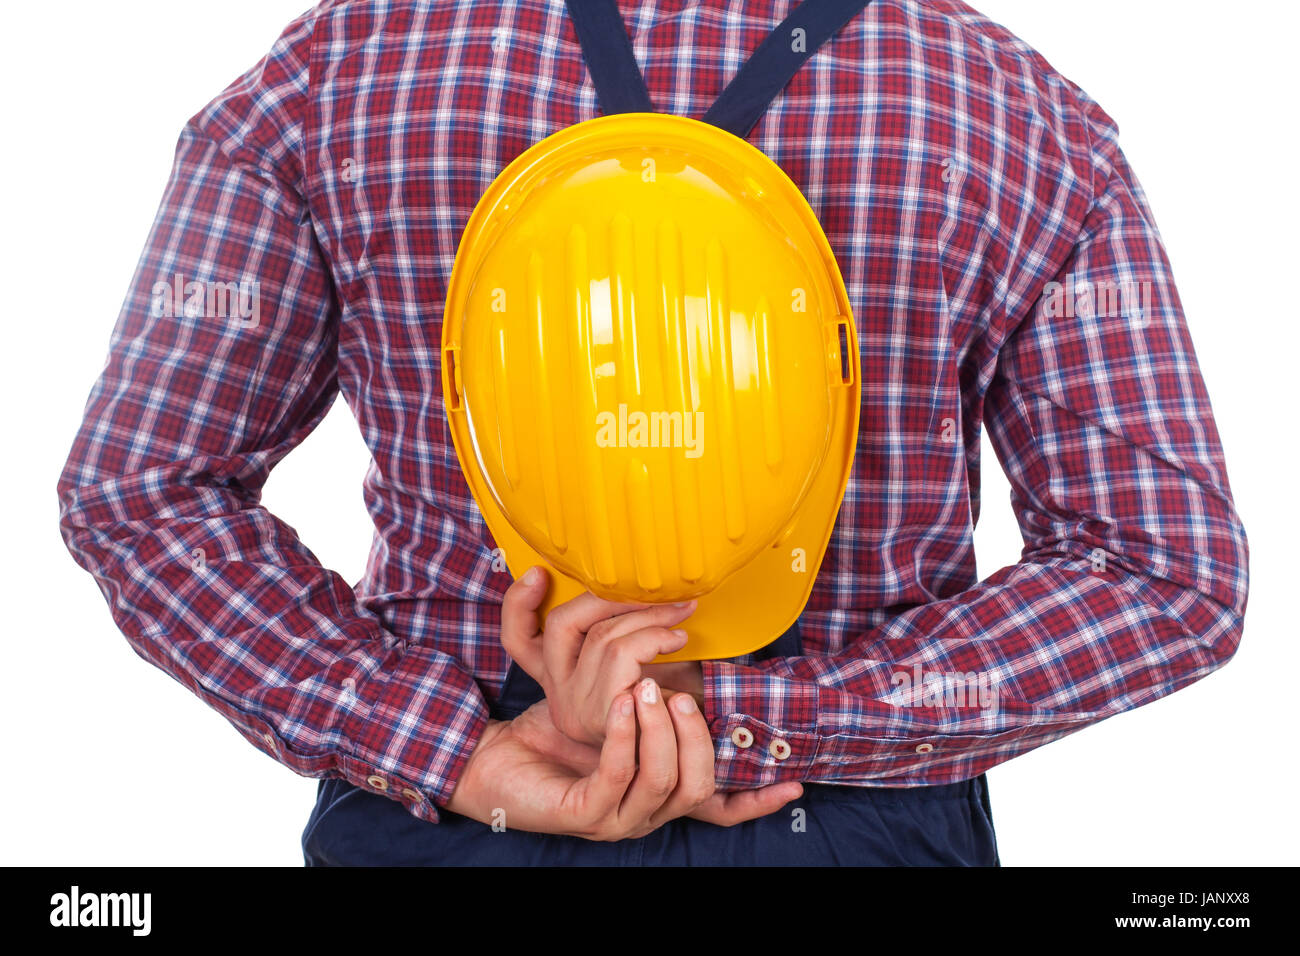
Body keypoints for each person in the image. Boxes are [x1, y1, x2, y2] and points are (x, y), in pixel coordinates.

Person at [57, 0, 1248, 867]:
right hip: (844, 821)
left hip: (462, 807)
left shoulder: (340, 68)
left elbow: (143, 489)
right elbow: (1159, 572)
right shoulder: (1007, 104)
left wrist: (451, 751)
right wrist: (748, 721)